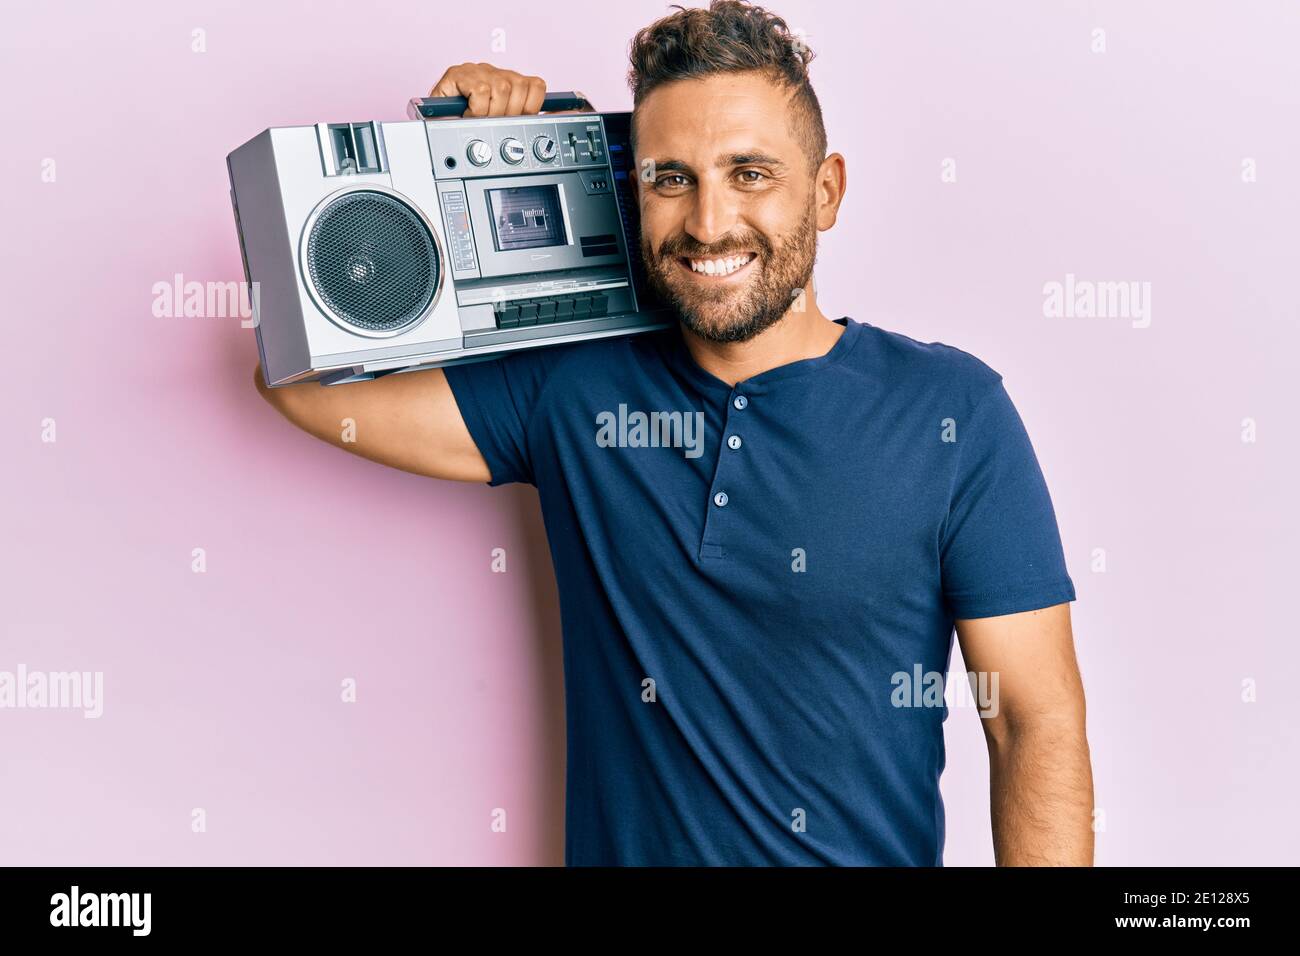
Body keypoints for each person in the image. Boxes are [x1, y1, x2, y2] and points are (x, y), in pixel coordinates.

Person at [255, 0, 1093, 866]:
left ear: (828, 190)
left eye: (751, 173)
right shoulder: (573, 390)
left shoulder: (953, 411)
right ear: (633, 198)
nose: (707, 221)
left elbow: (1035, 723)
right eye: (671, 178)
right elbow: (299, 380)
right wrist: (445, 164)